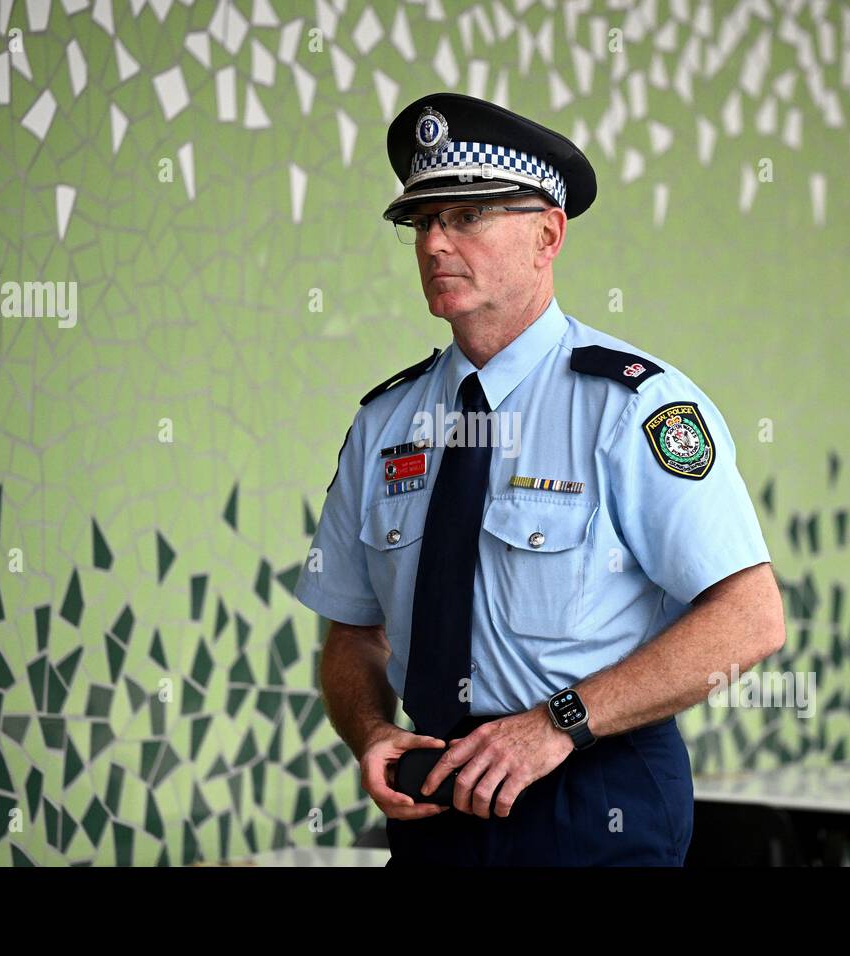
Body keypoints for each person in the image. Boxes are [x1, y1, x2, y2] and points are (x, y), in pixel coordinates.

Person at [293, 92, 785, 865]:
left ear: (547, 236)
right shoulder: (385, 423)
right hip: (438, 801)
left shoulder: (634, 407)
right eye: (422, 222)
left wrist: (558, 723)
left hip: (593, 792)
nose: (434, 244)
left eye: (467, 216)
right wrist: (374, 731)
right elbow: (352, 633)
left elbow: (750, 619)